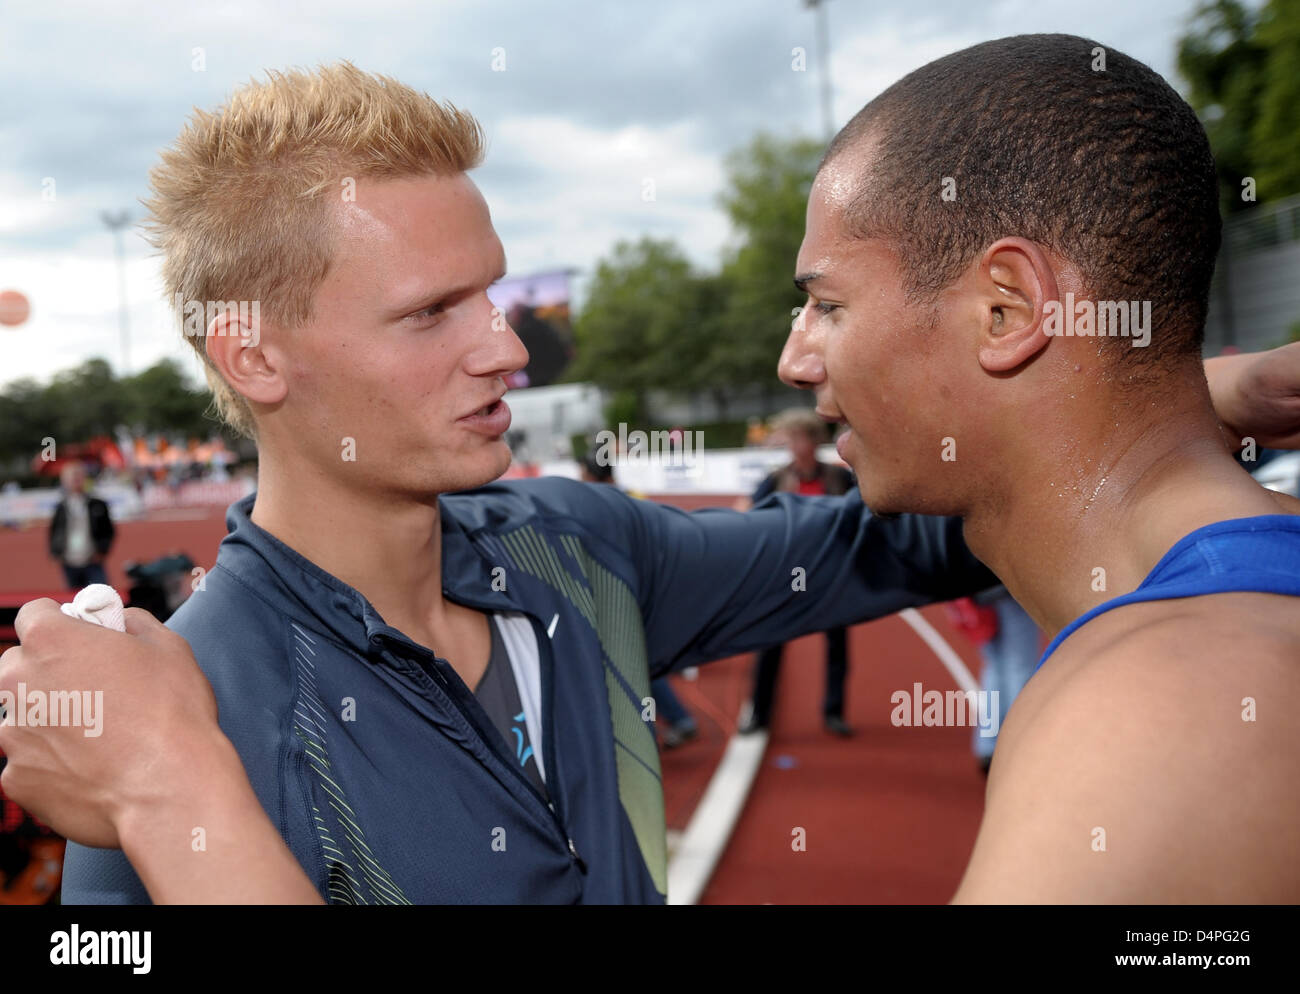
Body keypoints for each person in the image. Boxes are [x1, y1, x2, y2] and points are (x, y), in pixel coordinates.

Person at [2, 52, 1297, 906]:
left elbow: (896, 536)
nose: (507, 343)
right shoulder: (169, 731)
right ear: (256, 354)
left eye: (497, 292)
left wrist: (1176, 391)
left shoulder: (580, 544)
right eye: (434, 311)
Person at [776, 33, 1300, 901]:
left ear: (1006, 311)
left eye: (828, 305)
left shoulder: (1148, 716)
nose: (797, 361)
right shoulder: (1233, 617)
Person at [738, 408, 855, 736]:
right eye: (789, 438)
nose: (792, 444)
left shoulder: (838, 478)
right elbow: (750, 515)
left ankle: (834, 712)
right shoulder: (776, 480)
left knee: (836, 647)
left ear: (813, 440)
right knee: (770, 643)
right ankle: (759, 713)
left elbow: (858, 517)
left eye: (797, 437)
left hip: (829, 572)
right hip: (786, 573)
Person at [48, 462, 114, 589]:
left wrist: (102, 550)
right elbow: (54, 530)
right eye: (72, 478)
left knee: (99, 594)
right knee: (74, 598)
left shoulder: (97, 504)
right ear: (65, 481)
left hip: (92, 559)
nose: (75, 481)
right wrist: (55, 552)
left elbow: (108, 530)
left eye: (78, 477)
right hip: (69, 560)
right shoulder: (61, 507)